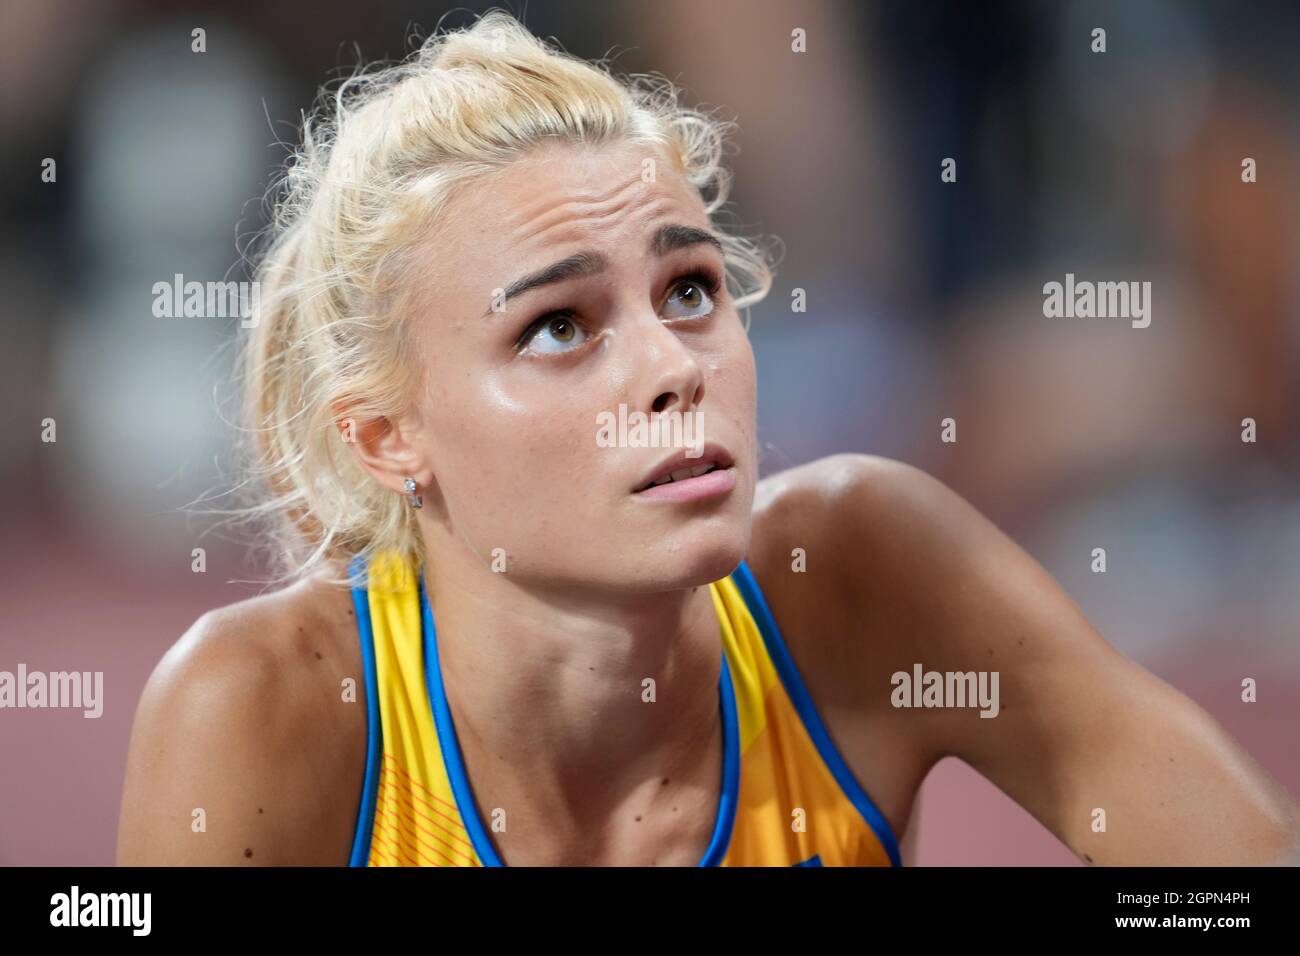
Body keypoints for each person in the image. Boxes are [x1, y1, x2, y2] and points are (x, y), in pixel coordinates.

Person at [117, 9, 1298, 867]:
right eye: (559, 325)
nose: (673, 368)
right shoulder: (264, 710)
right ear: (386, 437)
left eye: (688, 290)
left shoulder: (863, 572)